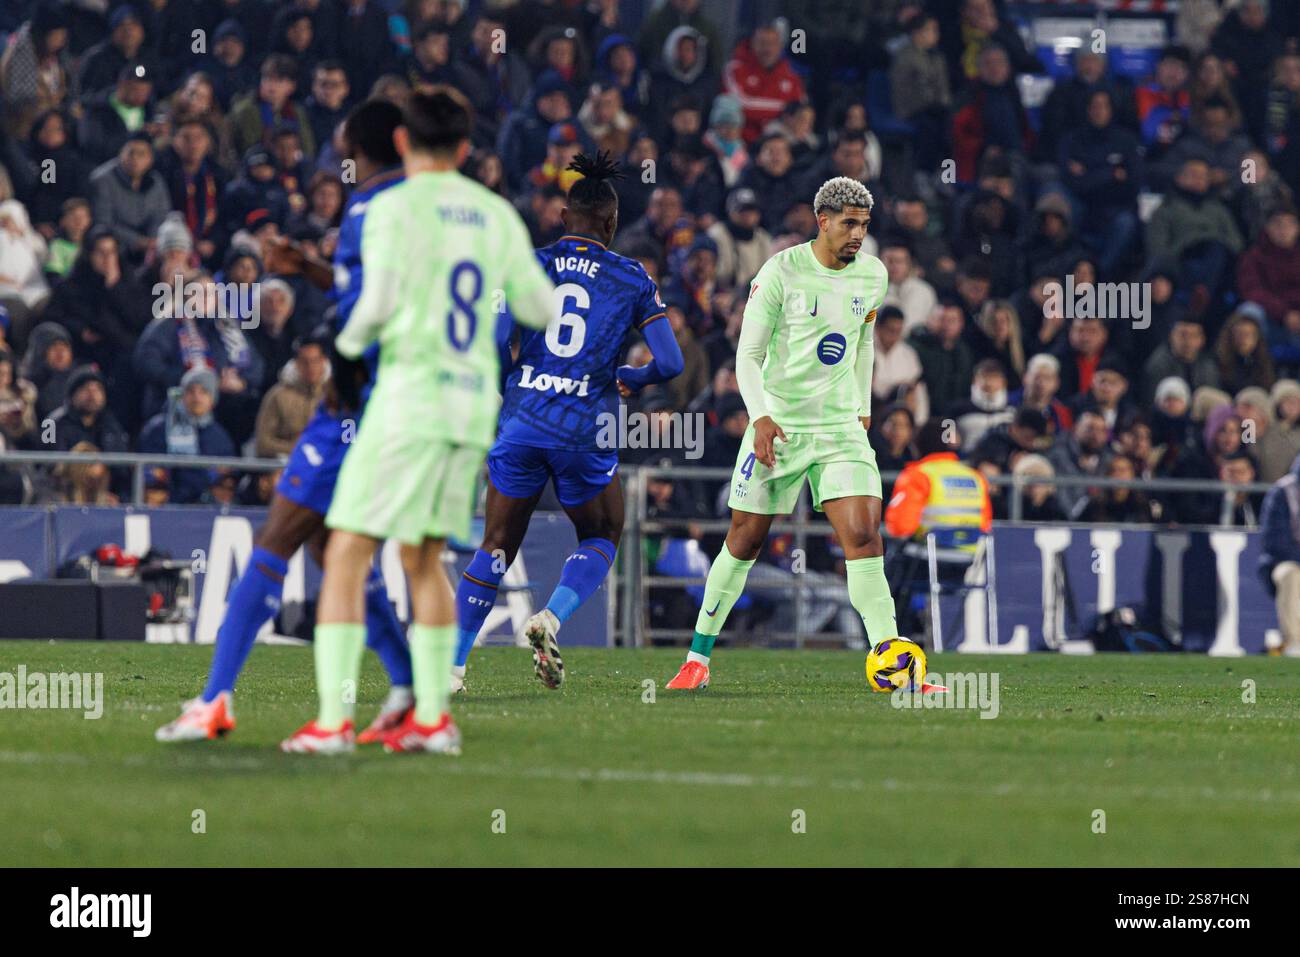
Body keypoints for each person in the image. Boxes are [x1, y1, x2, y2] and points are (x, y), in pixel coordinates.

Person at [281, 87, 556, 755]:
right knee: (424, 556)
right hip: (471, 410)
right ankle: (432, 720)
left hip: (409, 397)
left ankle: (332, 722)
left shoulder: (391, 205)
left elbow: (371, 306)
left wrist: (345, 358)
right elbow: (541, 307)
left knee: (347, 550)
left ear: (403, 144)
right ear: (465, 149)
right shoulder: (495, 213)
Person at [156, 100, 416, 745]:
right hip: (392, 407)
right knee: (338, 553)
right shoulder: (418, 211)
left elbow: (370, 312)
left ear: (365, 144)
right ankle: (412, 693)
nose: (335, 152)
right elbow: (375, 293)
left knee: (275, 540)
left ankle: (216, 698)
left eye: (344, 142)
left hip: (353, 410)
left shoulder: (369, 209)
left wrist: (344, 383)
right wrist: (308, 270)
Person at [453, 151, 684, 691]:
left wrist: (514, 386)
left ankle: (452, 667)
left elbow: (489, 344)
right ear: (611, 224)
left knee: (496, 543)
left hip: (523, 420)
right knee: (603, 530)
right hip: (586, 427)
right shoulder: (632, 277)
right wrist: (631, 375)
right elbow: (670, 363)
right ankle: (551, 617)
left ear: (563, 217)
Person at [664, 177, 897, 690]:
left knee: (862, 535)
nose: (858, 233)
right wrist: (761, 417)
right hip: (780, 426)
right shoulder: (780, 272)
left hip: (839, 429)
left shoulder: (873, 276)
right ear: (823, 221)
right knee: (744, 541)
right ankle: (697, 659)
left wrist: (861, 406)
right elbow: (747, 356)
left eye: (864, 224)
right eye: (849, 223)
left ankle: (891, 660)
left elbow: (862, 344)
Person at [1258, 451, 1300, 655]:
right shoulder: (1282, 492)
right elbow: (1274, 541)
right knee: (1289, 574)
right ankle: (1294, 643)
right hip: (1288, 561)